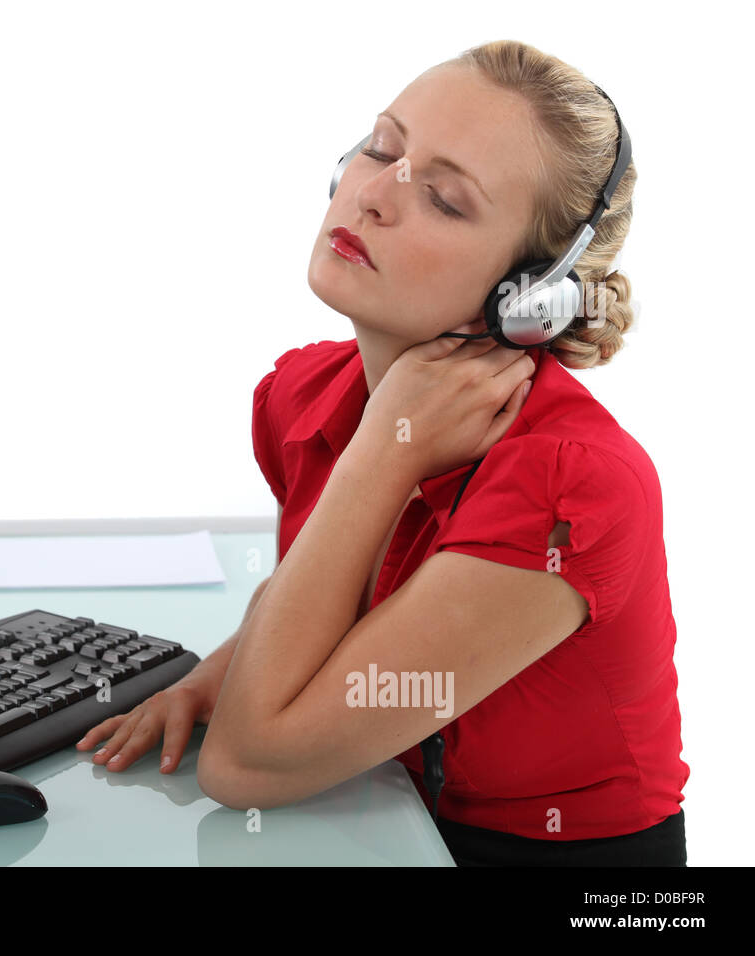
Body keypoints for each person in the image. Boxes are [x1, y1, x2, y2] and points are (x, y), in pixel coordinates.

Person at [76, 39, 688, 866]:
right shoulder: (308, 392)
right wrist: (210, 676)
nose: (372, 196)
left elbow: (246, 762)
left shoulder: (572, 484)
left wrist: (381, 456)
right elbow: (323, 602)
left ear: (532, 292)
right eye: (382, 148)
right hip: (386, 820)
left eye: (442, 198)